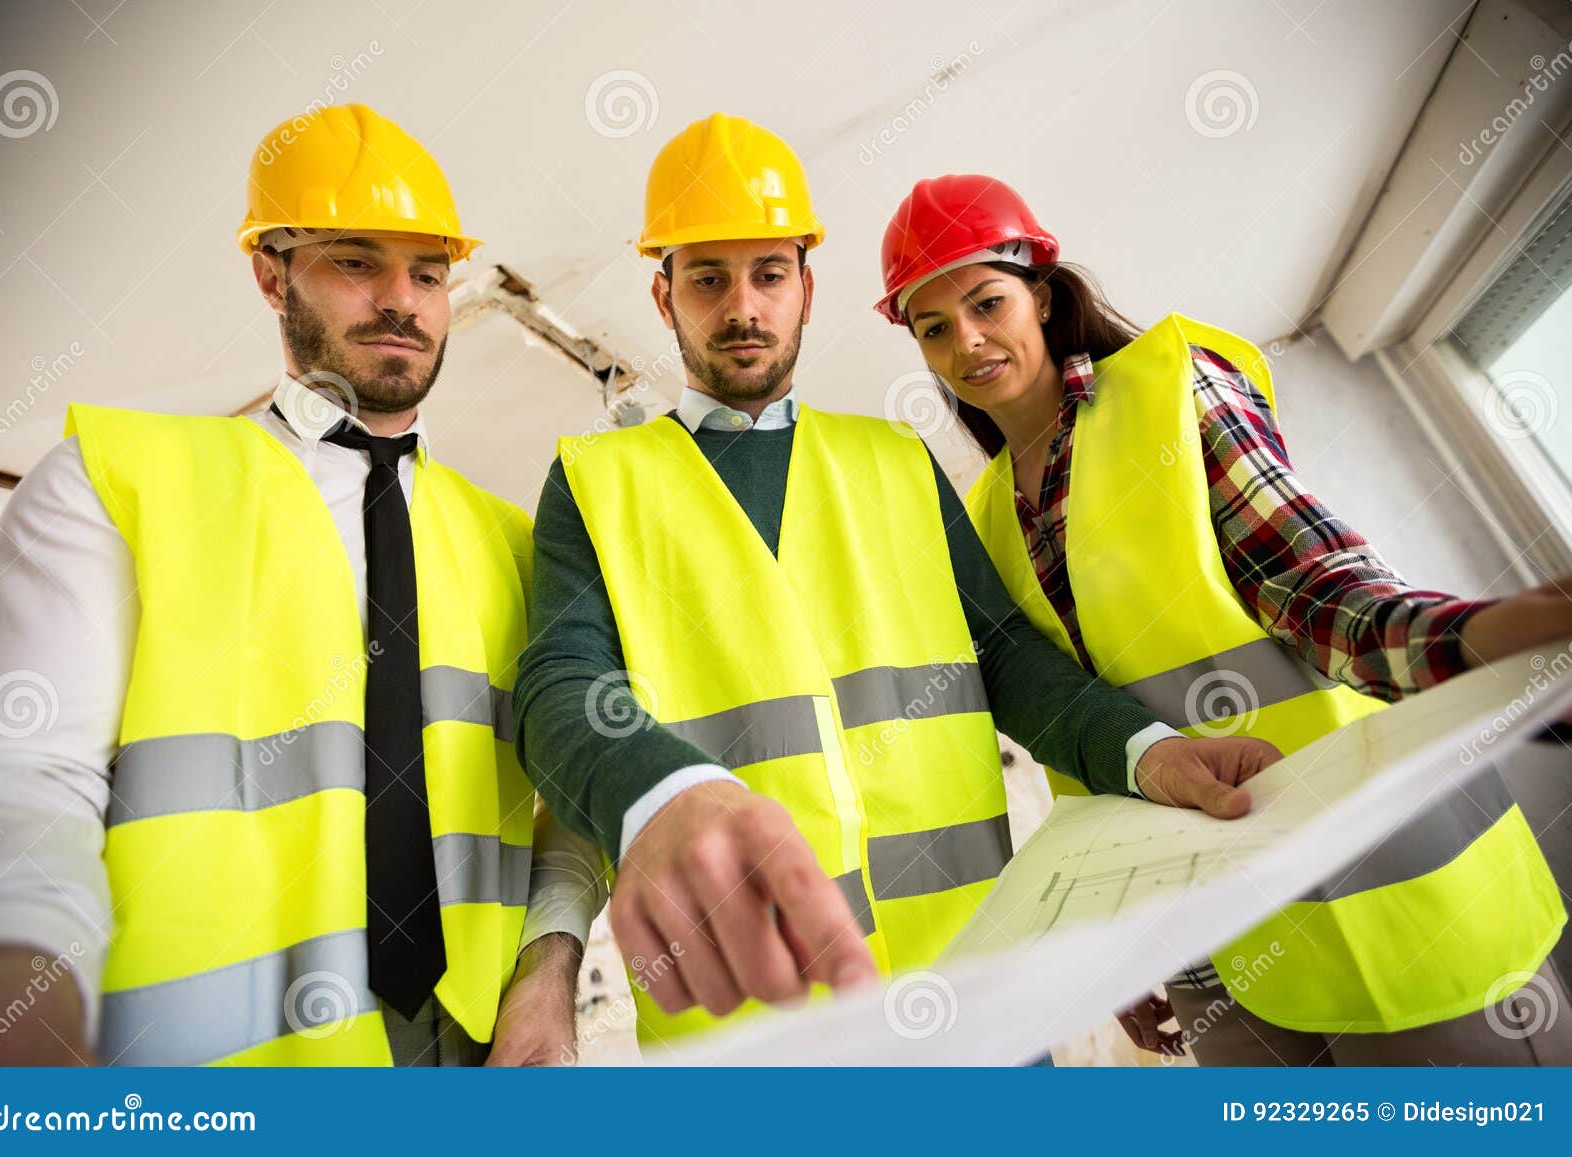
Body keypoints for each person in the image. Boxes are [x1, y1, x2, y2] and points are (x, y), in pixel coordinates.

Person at [515, 114, 1281, 1049]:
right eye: (707, 278)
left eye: (769, 275)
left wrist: (1145, 749)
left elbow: (1006, 657)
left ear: (806, 288)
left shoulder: (897, 459)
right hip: (760, 1038)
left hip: (976, 998)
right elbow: (561, 687)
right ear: (662, 294)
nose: (742, 307)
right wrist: (658, 793)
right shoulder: (596, 480)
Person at [875, 172, 1572, 1065]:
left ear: (1041, 296)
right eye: (933, 328)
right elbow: (1083, 741)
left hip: (1392, 891)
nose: (967, 341)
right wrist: (1125, 945)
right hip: (1214, 950)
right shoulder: (980, 525)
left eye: (986, 302)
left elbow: (1316, 585)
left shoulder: (1169, 390)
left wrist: (1474, 642)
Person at [0, 104, 604, 1066]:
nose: (401, 300)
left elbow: (566, 805)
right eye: (355, 260)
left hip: (475, 1060)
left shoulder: (514, 541)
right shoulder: (116, 482)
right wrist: (24, 1004)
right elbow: (22, 781)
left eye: (428, 272)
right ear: (272, 274)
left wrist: (548, 970)